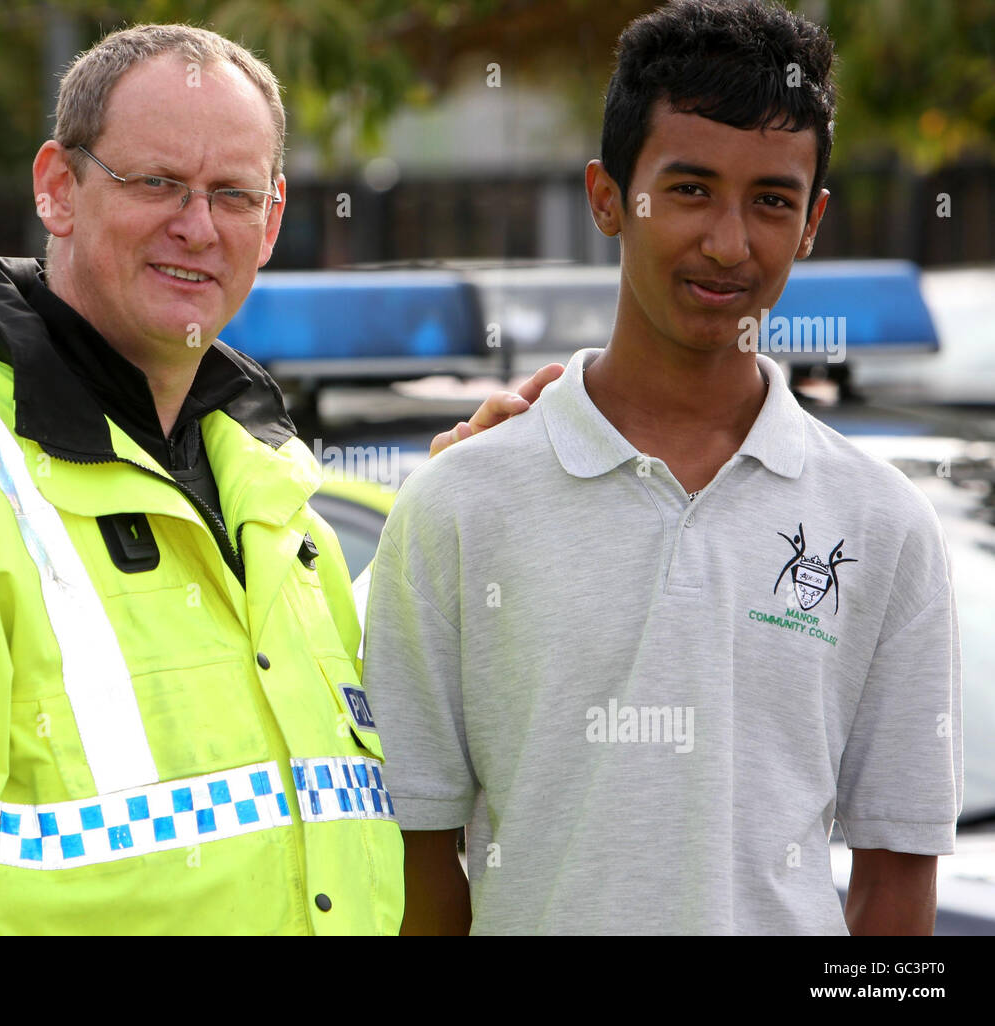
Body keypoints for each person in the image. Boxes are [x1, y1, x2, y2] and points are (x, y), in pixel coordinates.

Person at [0, 23, 550, 935]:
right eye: (158, 184)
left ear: (273, 220)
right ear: (58, 189)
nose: (198, 225)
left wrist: (448, 514)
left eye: (232, 194)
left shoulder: (274, 495)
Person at [362, 0, 962, 935]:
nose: (730, 243)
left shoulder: (885, 525)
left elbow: (895, 889)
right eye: (689, 190)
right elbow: (415, 869)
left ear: (812, 223)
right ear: (608, 197)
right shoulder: (458, 505)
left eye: (772, 200)